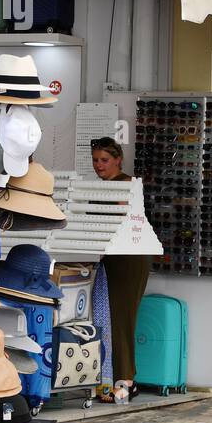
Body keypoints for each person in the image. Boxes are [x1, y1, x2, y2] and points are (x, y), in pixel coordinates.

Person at [91, 137, 150, 404]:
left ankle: (126, 380)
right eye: (95, 160)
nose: (99, 165)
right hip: (113, 257)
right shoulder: (107, 186)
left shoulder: (126, 183)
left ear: (118, 160)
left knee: (122, 318)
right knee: (109, 318)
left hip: (130, 257)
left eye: (104, 160)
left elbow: (120, 216)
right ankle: (116, 379)